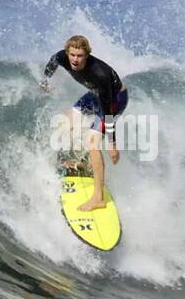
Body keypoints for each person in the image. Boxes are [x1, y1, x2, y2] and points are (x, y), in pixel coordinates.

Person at [40, 35, 128, 212]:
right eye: (72, 54)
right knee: (63, 124)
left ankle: (98, 198)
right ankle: (85, 164)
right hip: (94, 95)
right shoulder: (62, 57)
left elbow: (108, 111)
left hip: (114, 100)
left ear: (87, 55)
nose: (75, 59)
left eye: (80, 56)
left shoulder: (99, 74)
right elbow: (52, 62)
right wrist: (45, 81)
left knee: (93, 144)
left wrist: (112, 142)